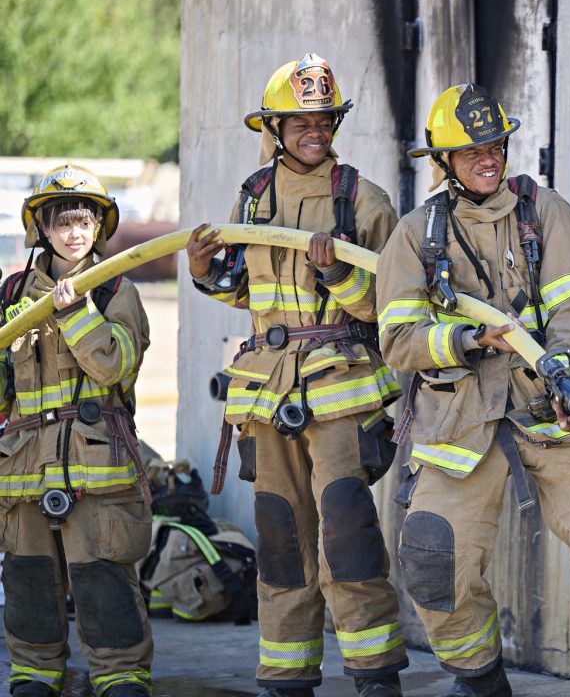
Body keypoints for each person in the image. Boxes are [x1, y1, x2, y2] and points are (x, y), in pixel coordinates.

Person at [376, 83, 570, 697]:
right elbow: (398, 339)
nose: (488, 157)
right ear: (443, 162)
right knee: (430, 554)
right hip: (461, 423)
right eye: (471, 150)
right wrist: (471, 338)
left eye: (495, 143)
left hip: (553, 412)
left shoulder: (546, 214)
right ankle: (479, 676)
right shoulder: (417, 235)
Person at [187, 54, 407, 697]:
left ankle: (374, 673)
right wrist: (206, 273)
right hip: (266, 392)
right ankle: (287, 675)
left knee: (347, 533)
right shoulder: (253, 197)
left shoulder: (363, 199)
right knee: (282, 540)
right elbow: (246, 289)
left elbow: (390, 305)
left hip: (339, 391)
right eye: (301, 121)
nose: (315, 131)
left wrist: (339, 275)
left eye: (325, 120)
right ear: (275, 127)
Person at [0, 165, 153, 697]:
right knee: (28, 579)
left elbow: (115, 369)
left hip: (97, 468)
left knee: (103, 579)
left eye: (84, 220)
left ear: (99, 226)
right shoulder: (13, 293)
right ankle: (35, 675)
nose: (73, 232)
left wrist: (75, 315)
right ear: (41, 228)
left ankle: (121, 676)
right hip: (24, 468)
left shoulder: (116, 290)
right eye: (61, 221)